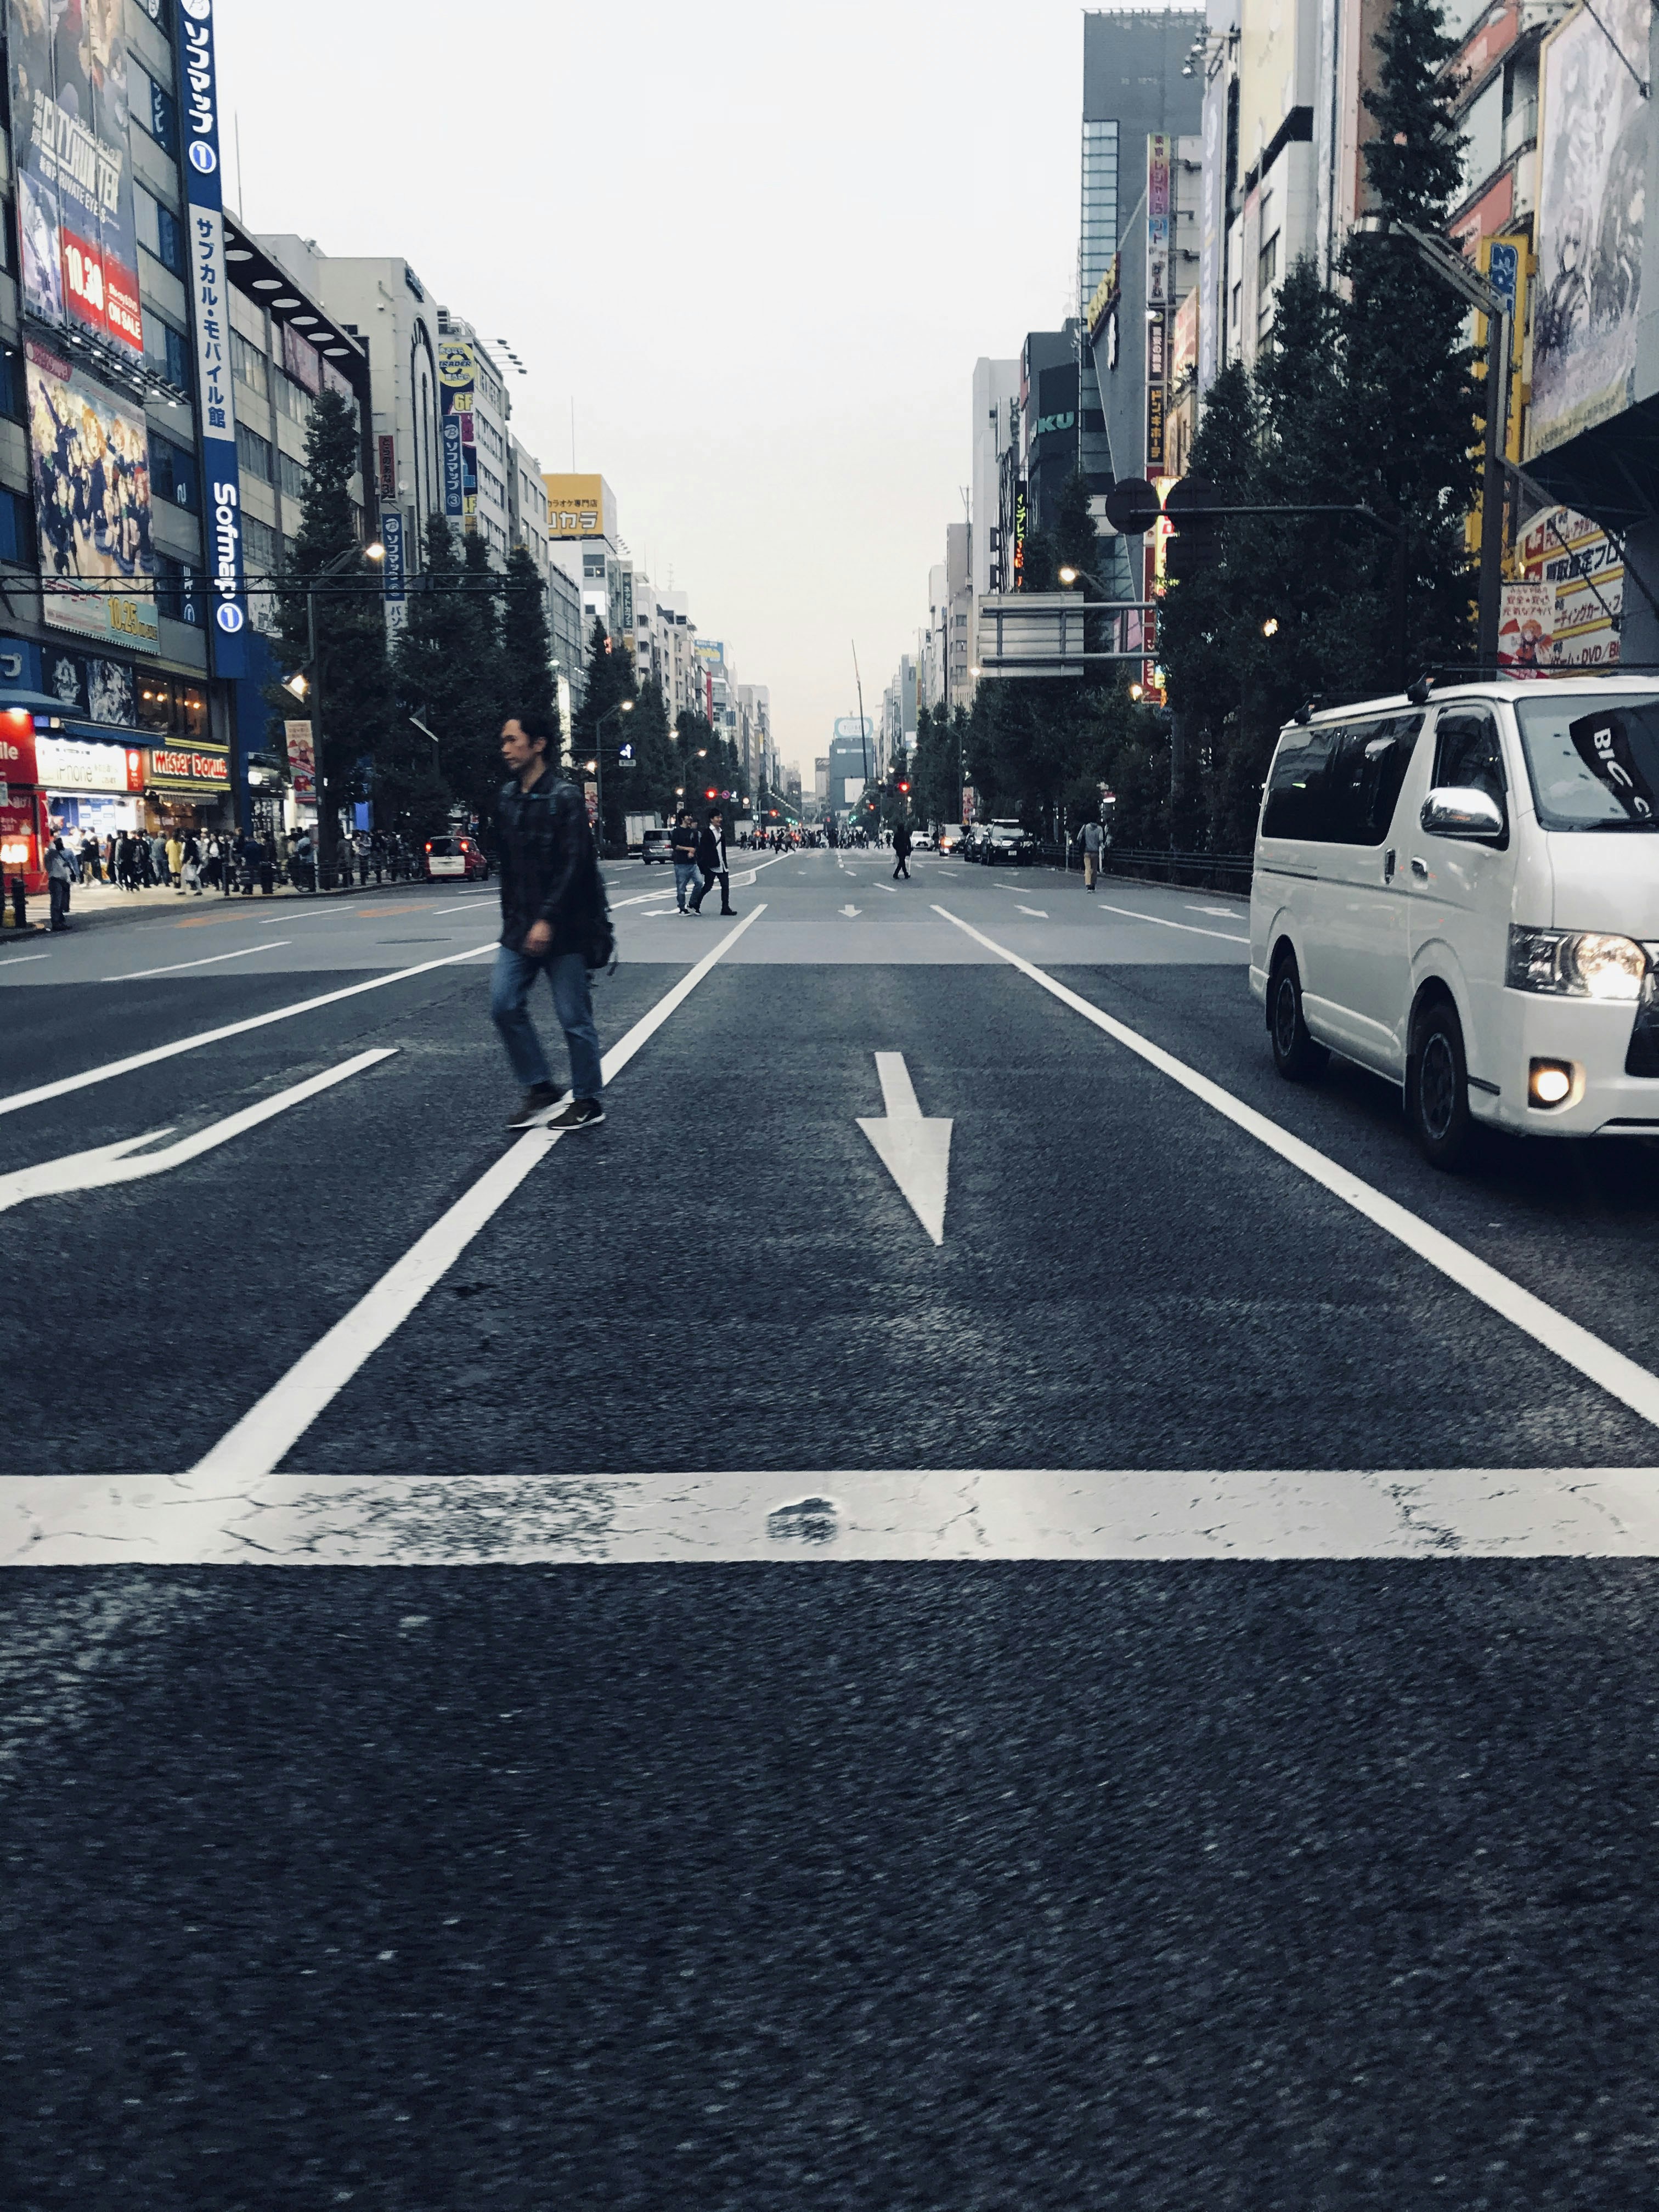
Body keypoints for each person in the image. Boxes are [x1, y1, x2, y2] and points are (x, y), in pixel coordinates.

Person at [490, 709, 607, 1131]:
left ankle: (589, 1100)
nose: (505, 748)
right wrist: (515, 920)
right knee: (503, 1004)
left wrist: (548, 919)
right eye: (503, 741)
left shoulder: (566, 796)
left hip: (565, 928)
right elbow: (507, 866)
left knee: (573, 1017)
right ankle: (540, 1087)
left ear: (538, 744)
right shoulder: (507, 797)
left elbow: (576, 863)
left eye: (512, 740)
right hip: (519, 926)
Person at [670, 807, 699, 914]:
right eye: (688, 816)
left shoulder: (693, 832)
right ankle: (682, 908)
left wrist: (693, 851)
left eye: (691, 816)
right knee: (681, 887)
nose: (690, 818)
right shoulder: (677, 831)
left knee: (700, 883)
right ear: (683, 818)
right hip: (680, 863)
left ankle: (692, 903)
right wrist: (688, 849)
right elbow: (675, 846)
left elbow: (697, 845)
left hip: (693, 864)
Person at [1080, 815, 1102, 892]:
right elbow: (1101, 840)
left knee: (1088, 869)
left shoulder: (1085, 827)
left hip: (1087, 851)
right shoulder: (1100, 829)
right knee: (1094, 869)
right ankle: (1093, 885)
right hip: (1095, 852)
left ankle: (1088, 885)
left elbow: (1079, 837)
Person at [891, 817, 912, 881]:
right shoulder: (906, 834)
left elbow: (894, 843)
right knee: (902, 862)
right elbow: (909, 842)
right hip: (904, 850)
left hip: (899, 850)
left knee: (902, 862)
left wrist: (897, 848)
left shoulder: (897, 834)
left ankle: (905, 874)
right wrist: (909, 849)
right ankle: (897, 874)